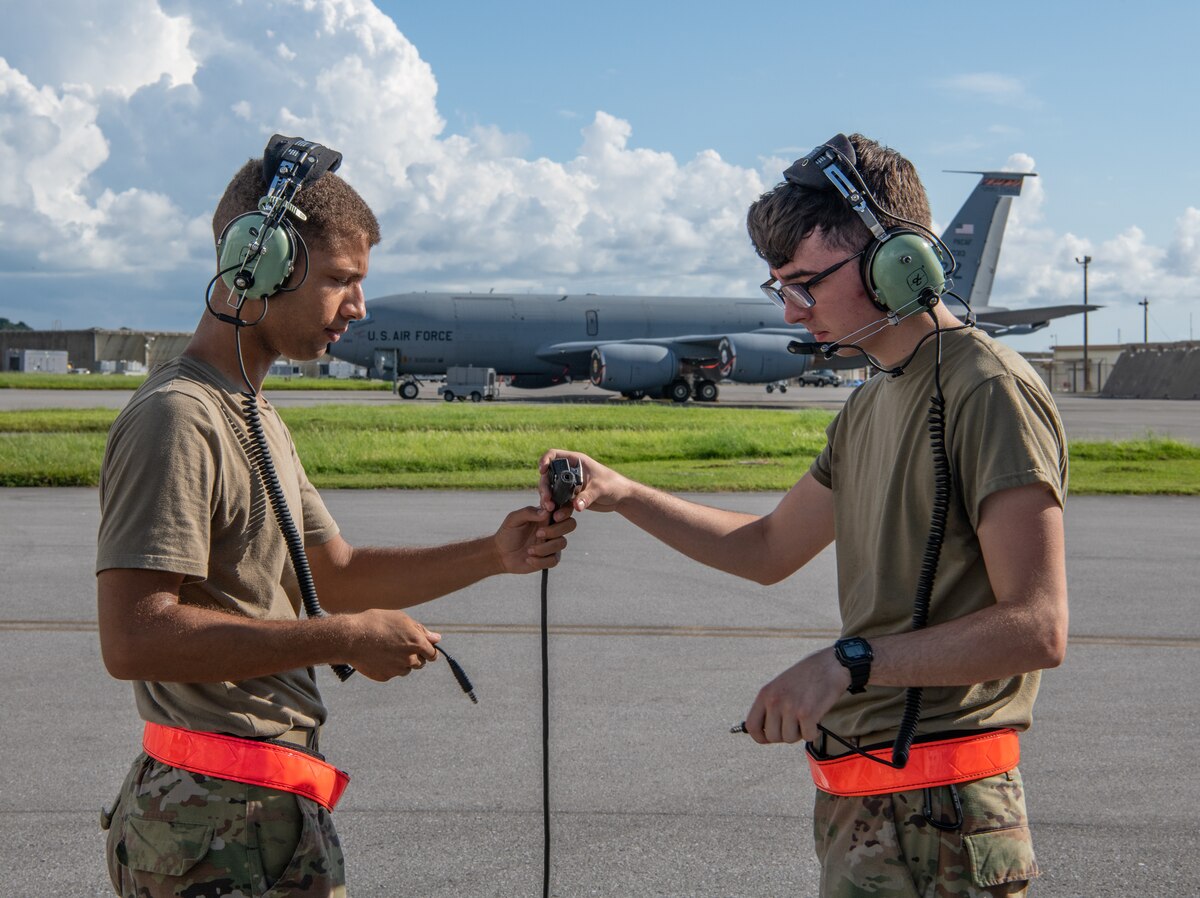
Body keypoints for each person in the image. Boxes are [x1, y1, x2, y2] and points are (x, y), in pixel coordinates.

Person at [538, 133, 1068, 897]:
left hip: (943, 815)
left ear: (897, 264)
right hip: (863, 802)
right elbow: (765, 549)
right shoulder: (870, 403)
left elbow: (1038, 626)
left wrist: (845, 664)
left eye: (806, 282)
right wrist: (621, 492)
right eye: (779, 287)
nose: (792, 308)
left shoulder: (988, 388)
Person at [96, 136, 574, 897]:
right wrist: (346, 638)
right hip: (208, 825)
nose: (358, 307)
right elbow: (134, 637)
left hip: (263, 809)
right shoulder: (179, 418)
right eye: (341, 281)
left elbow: (334, 571)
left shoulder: (253, 413)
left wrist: (494, 551)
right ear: (259, 264)